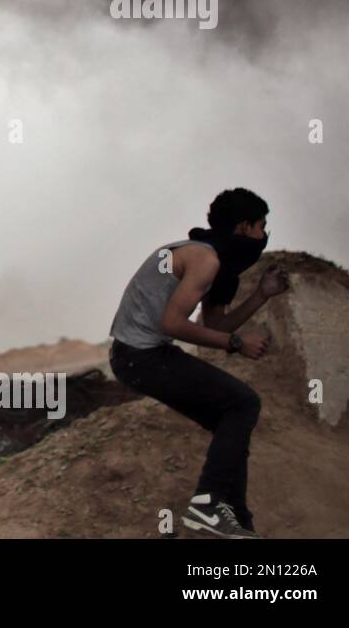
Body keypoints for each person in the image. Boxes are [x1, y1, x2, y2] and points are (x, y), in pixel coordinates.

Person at [108, 188, 289, 538]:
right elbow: (172, 324)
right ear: (244, 226)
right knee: (243, 402)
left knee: (231, 423)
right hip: (139, 356)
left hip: (140, 356)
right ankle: (207, 506)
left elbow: (216, 325)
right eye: (261, 226)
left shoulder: (219, 264)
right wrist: (237, 344)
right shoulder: (204, 258)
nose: (264, 234)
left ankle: (236, 520)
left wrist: (261, 295)